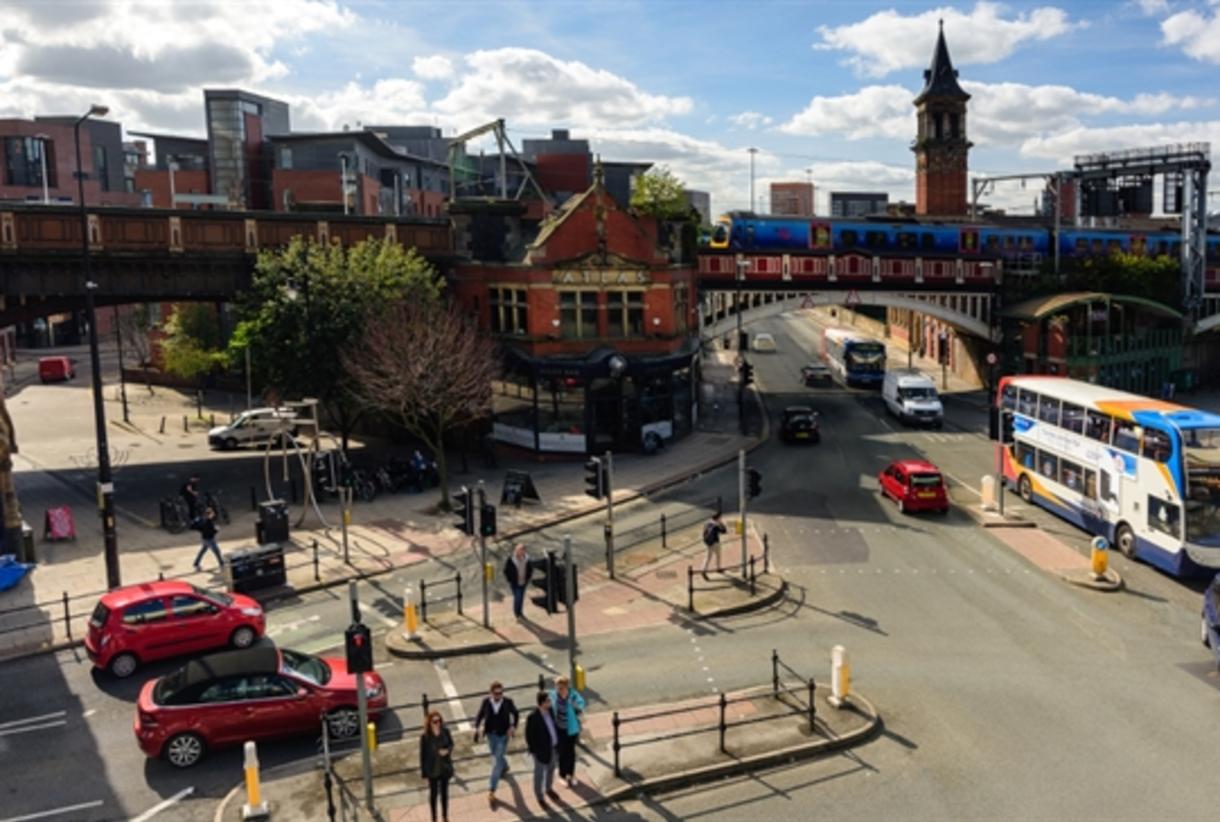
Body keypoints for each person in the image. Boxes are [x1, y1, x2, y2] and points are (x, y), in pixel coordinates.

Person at [472, 680, 519, 809]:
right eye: (496, 693)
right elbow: (480, 715)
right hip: (490, 735)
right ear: (491, 693)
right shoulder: (486, 702)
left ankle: (492, 790)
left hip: (503, 735)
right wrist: (476, 727)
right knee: (496, 755)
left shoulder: (507, 702)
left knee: (496, 762)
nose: (499, 696)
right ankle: (505, 766)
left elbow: (516, 713)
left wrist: (513, 727)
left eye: (500, 693)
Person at [548, 675, 586, 788]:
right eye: (557, 687)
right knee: (562, 753)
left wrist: (572, 704)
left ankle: (571, 774)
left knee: (571, 753)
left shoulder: (573, 695)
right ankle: (562, 775)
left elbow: (581, 705)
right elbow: (549, 707)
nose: (558, 690)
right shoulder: (553, 695)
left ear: (566, 687)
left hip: (571, 728)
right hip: (559, 729)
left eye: (561, 688)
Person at [525, 690, 560, 810]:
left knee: (551, 770)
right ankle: (540, 797)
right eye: (548, 701)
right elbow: (529, 736)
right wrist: (534, 751)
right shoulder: (533, 717)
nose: (550, 702)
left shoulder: (551, 711)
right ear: (542, 703)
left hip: (553, 748)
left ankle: (548, 789)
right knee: (539, 775)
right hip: (540, 751)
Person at [419, 710, 453, 822]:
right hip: (432, 769)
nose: (437, 723)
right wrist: (424, 774)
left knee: (444, 794)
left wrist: (447, 751)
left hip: (444, 768)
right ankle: (434, 818)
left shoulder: (445, 731)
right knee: (433, 795)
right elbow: (422, 755)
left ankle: (445, 816)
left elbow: (451, 744)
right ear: (429, 723)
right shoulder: (425, 737)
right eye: (434, 721)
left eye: (439, 721)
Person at [503, 543, 533, 620]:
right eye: (519, 550)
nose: (521, 552)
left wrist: (528, 578)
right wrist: (510, 580)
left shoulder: (527, 559)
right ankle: (517, 613)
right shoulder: (511, 560)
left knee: (521, 598)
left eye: (523, 550)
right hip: (515, 583)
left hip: (523, 582)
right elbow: (506, 571)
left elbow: (530, 569)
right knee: (518, 597)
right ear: (516, 551)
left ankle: (520, 612)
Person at [192, 507, 223, 571]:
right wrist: (216, 530)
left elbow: (199, 528)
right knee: (216, 551)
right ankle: (221, 564)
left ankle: (196, 563)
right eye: (212, 513)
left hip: (204, 539)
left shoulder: (203, 521)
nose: (213, 514)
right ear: (210, 514)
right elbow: (211, 532)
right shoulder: (209, 522)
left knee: (202, 551)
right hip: (209, 539)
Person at [701, 512, 727, 580]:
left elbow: (704, 532)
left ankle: (704, 570)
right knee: (718, 556)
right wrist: (721, 523)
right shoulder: (716, 525)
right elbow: (724, 531)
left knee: (708, 557)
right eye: (720, 517)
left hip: (708, 543)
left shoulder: (707, 523)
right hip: (715, 543)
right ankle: (718, 568)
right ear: (718, 518)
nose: (721, 518)